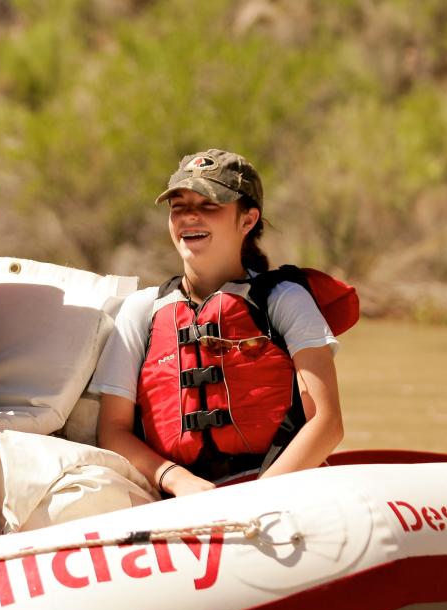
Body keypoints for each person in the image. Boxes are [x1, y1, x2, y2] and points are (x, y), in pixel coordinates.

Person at [91, 149, 353, 497]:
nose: (189, 218)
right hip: (177, 494)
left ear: (247, 220)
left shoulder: (283, 299)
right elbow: (112, 429)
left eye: (209, 205)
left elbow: (327, 422)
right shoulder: (143, 310)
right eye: (178, 207)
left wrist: (253, 500)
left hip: (277, 490)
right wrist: (176, 479)